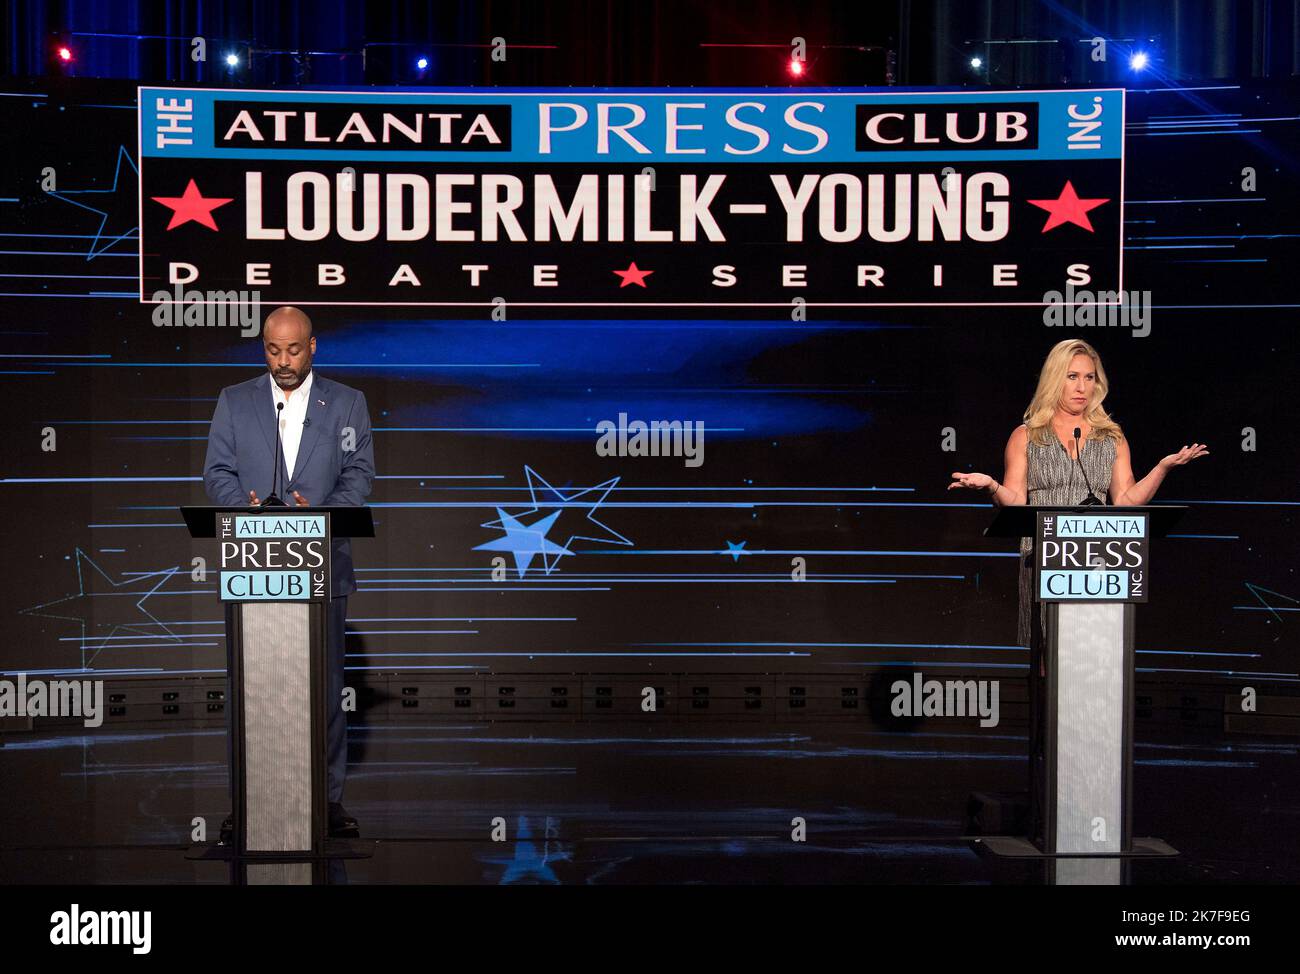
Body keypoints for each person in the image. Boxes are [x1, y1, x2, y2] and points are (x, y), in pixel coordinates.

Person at [947, 338, 1207, 840]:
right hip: (1046, 566)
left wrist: (1163, 469)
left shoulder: (1110, 437)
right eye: (1072, 376)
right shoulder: (1028, 436)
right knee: (1054, 677)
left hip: (1099, 568)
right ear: (1055, 379)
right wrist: (989, 488)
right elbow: (1016, 501)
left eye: (1089, 377)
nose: (1082, 387)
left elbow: (1126, 503)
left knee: (1092, 674)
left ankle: (1095, 790)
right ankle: (1057, 797)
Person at [203, 305, 375, 840]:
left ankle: (326, 802)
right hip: (252, 564)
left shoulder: (348, 404)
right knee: (250, 687)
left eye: (294, 350)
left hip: (320, 563)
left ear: (313, 346)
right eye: (274, 350)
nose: (284, 361)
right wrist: (247, 511)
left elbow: (359, 475)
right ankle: (249, 800)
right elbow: (218, 472)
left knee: (324, 688)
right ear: (264, 347)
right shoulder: (235, 401)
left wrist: (318, 518)